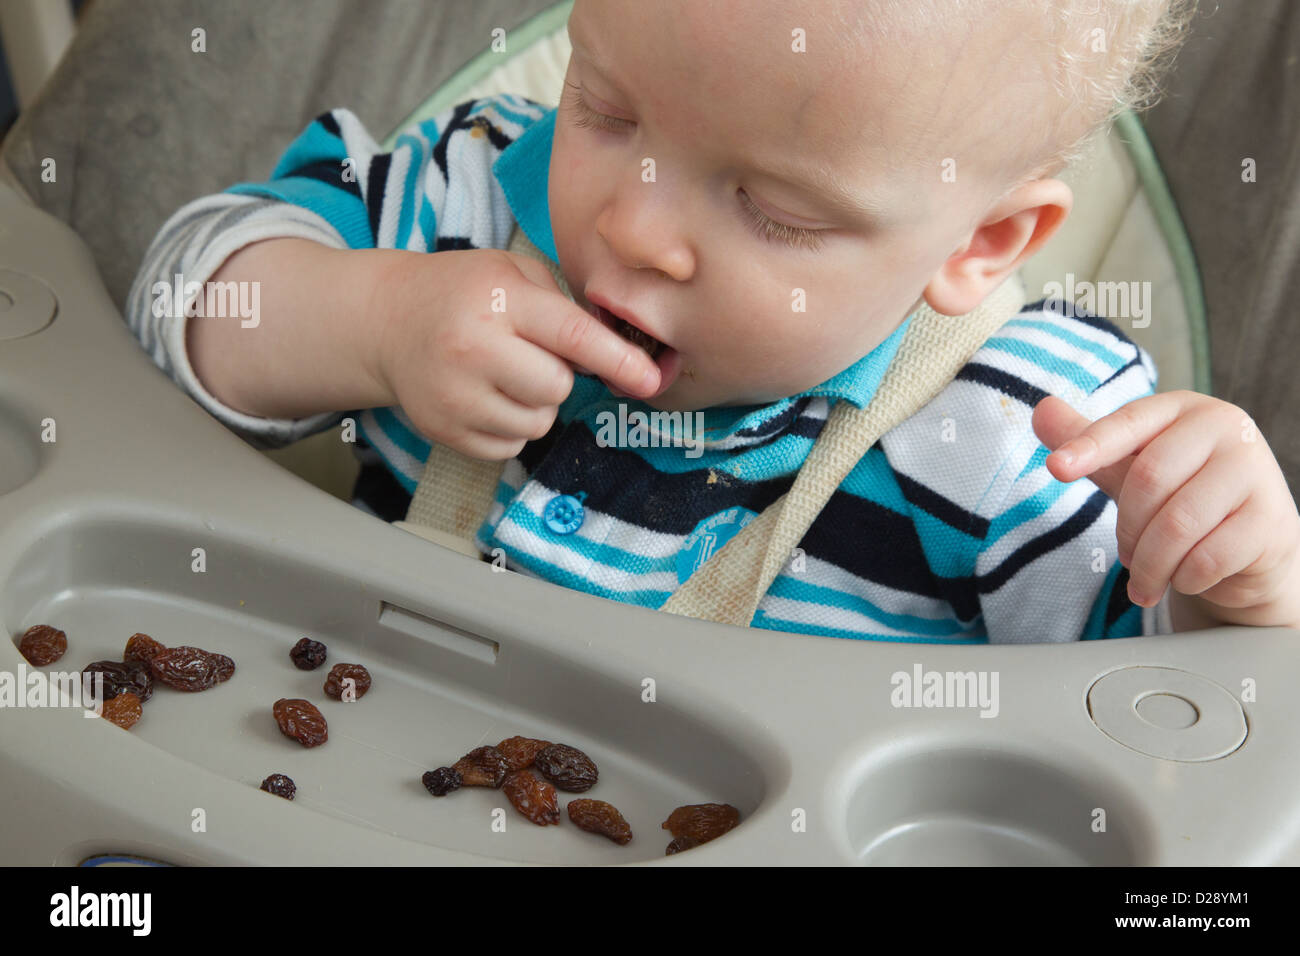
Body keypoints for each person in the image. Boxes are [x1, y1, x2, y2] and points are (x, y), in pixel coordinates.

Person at [126, 0, 1300, 641]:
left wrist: (1222, 581)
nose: (637, 228)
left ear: (975, 246)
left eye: (772, 209)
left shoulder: (1013, 432)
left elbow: (1159, 731)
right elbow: (184, 292)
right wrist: (370, 316)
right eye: (606, 109)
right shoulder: (466, 203)